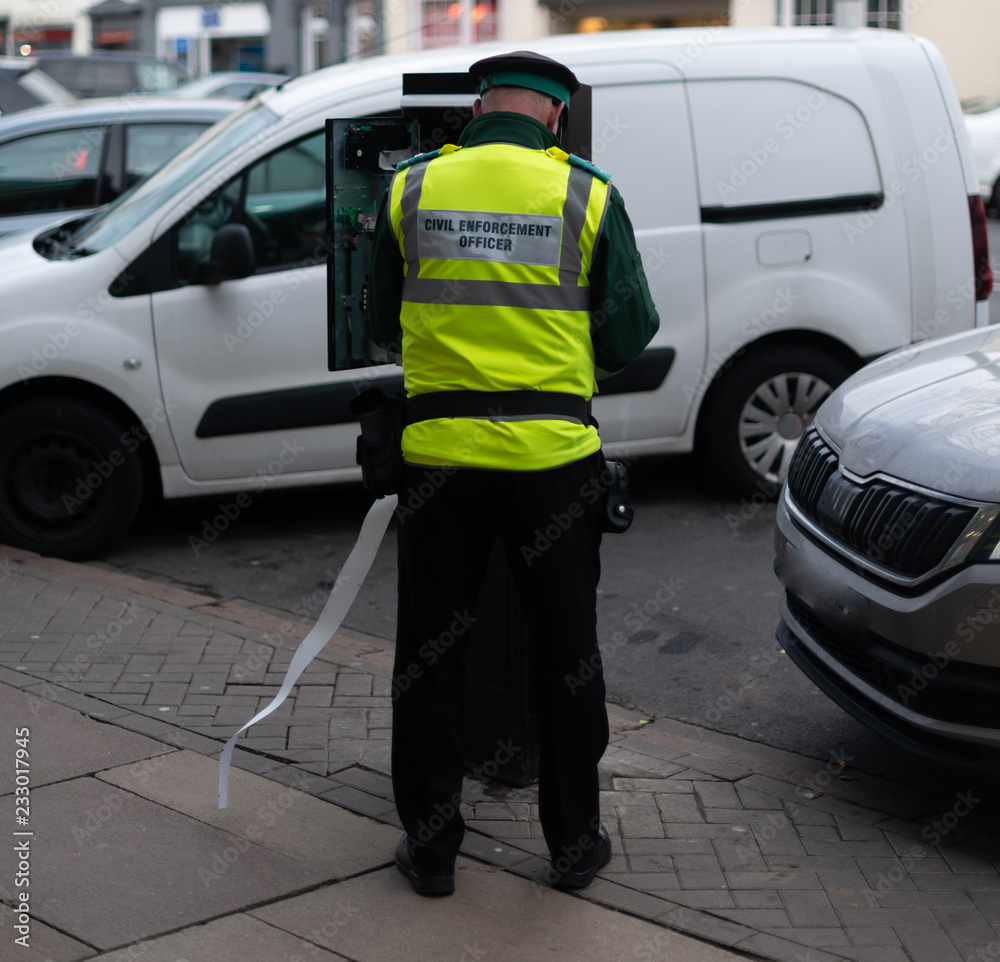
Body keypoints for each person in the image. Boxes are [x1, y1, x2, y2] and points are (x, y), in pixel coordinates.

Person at [366, 50, 659, 896]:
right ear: (556, 118)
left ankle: (430, 854)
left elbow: (383, 318)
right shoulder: (589, 194)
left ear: (476, 106)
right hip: (553, 466)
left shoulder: (413, 188)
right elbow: (627, 334)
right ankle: (571, 848)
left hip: (440, 462)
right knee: (568, 653)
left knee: (430, 657)